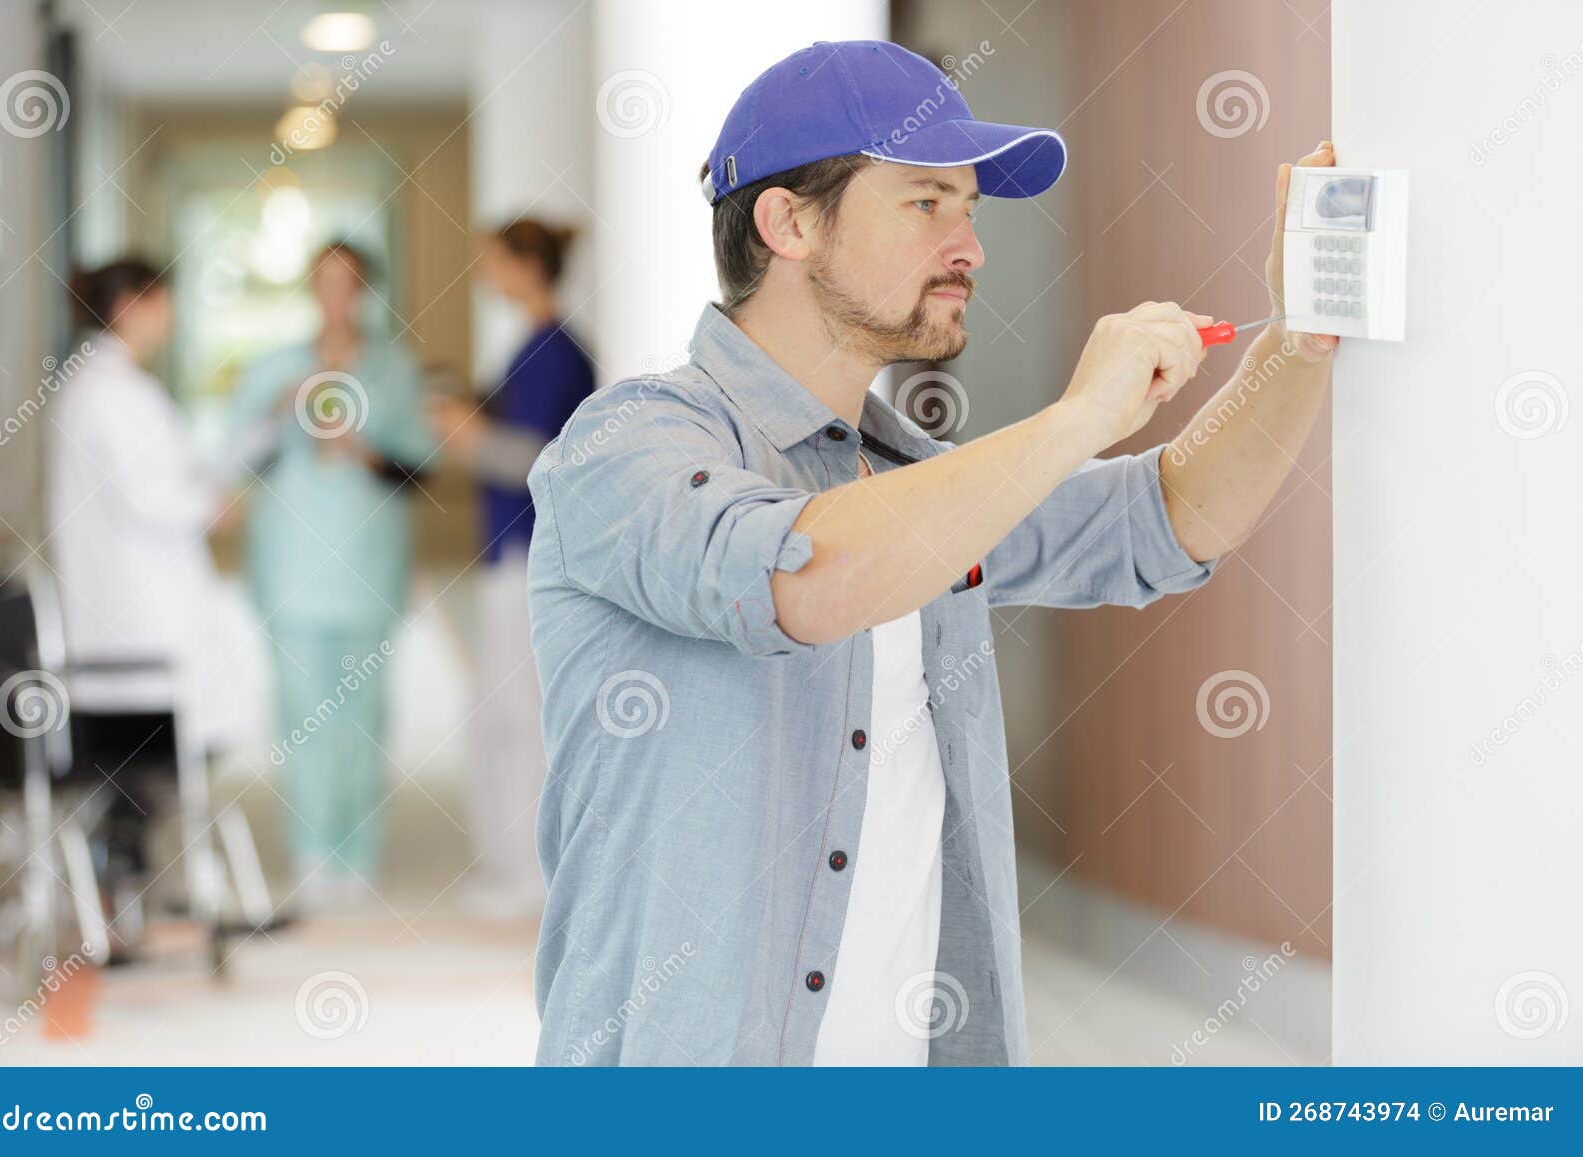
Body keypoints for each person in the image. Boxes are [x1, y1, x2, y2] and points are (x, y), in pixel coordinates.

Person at [525, 41, 1341, 1067]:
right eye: (925, 205)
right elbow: (794, 575)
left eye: (970, 209)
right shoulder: (626, 445)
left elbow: (1171, 514)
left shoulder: (910, 475)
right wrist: (1079, 418)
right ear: (789, 223)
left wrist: (1295, 340)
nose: (970, 247)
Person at [227, 242, 434, 908]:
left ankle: (357, 850)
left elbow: (419, 469)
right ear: (310, 290)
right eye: (325, 282)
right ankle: (313, 850)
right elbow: (235, 459)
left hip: (367, 567)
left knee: (364, 715)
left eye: (348, 283)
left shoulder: (393, 370)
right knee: (302, 714)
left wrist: (363, 449)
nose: (336, 295)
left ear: (365, 290)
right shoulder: (274, 371)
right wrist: (278, 411)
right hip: (291, 568)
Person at [46, 258, 243, 949]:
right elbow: (152, 496)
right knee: (143, 764)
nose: (173, 316)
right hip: (135, 615)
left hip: (129, 611)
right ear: (131, 304)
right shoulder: (110, 393)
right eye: (165, 302)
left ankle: (128, 900)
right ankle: (119, 903)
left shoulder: (105, 386)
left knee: (142, 767)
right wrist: (209, 504)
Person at [428, 219, 594, 920]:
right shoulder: (534, 348)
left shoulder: (555, 353)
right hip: (509, 551)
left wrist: (469, 434)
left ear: (528, 265)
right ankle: (516, 866)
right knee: (502, 711)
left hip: (531, 553)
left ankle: (530, 876)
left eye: (493, 261)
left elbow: (540, 461)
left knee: (518, 714)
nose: (484, 274)